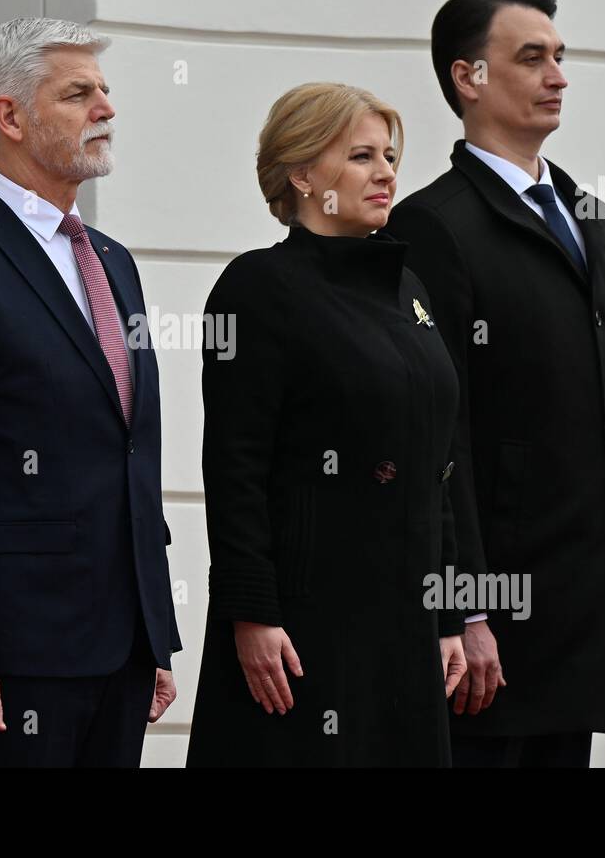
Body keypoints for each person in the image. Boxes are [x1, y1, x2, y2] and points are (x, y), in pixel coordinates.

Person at [0, 17, 181, 768]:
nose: (106, 109)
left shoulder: (113, 262)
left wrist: (155, 633)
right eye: (79, 93)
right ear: (9, 116)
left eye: (105, 92)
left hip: (122, 649)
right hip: (17, 654)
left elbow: (126, 449)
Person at [386, 0, 605, 767]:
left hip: (588, 602)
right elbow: (442, 437)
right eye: (532, 57)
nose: (558, 76)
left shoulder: (598, 221)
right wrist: (465, 607)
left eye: (559, 57)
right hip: (496, 621)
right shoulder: (432, 224)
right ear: (468, 78)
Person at [186, 82, 468, 767]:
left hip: (406, 619)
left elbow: (440, 466)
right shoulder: (257, 289)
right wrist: (251, 614)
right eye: (362, 156)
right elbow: (234, 468)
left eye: (390, 155)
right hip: (307, 628)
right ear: (303, 173)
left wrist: (452, 611)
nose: (386, 173)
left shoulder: (411, 291)